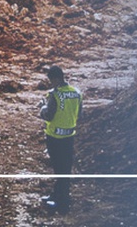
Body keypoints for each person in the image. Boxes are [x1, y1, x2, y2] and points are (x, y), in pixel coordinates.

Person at [38, 65, 83, 213]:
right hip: (69, 136)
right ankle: (59, 194)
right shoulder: (76, 93)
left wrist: (42, 107)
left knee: (58, 168)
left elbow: (49, 115)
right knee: (65, 167)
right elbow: (79, 114)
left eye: (51, 80)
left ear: (56, 79)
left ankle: (61, 199)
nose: (51, 83)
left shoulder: (55, 94)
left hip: (55, 136)